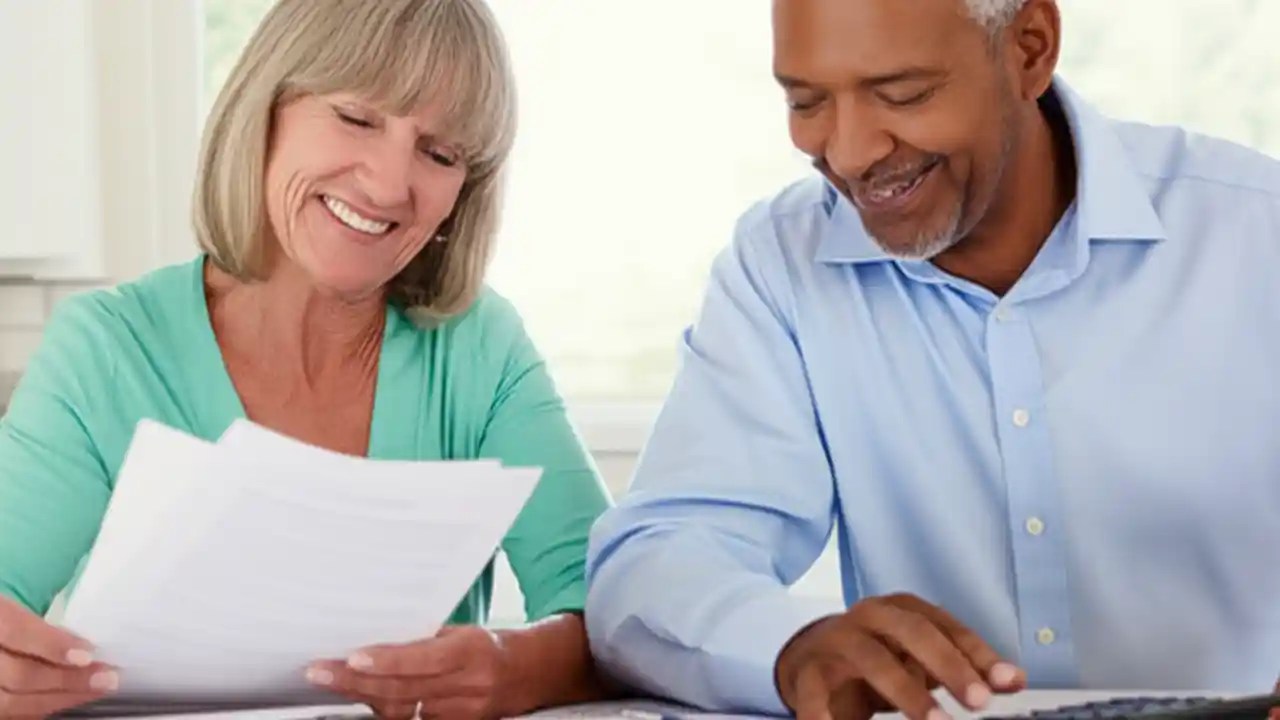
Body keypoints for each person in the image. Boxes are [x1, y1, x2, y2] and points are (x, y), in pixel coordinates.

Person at [584, 0, 1280, 718]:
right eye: (806, 101)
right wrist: (791, 647)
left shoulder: (1258, 232)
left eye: (903, 94)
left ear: (1030, 50)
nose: (849, 152)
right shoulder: (782, 264)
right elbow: (656, 563)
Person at [0, 1, 614, 718]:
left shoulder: (478, 350)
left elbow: (617, 610)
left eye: (439, 153)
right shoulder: (109, 350)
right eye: (357, 117)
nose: (389, 185)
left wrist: (518, 667)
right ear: (268, 108)